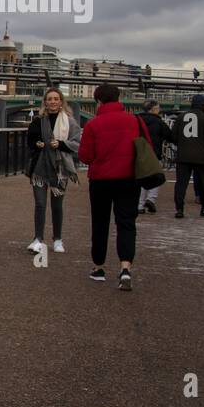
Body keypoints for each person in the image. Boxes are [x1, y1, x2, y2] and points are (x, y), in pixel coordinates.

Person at [78, 84, 143, 290]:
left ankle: (98, 267)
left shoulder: (93, 125)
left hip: (101, 180)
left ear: (98, 101)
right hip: (128, 179)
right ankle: (125, 268)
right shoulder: (135, 121)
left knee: (100, 222)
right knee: (126, 223)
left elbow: (85, 156)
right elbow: (146, 147)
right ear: (119, 98)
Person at [26, 87, 80, 254]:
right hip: (40, 168)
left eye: (56, 99)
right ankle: (38, 239)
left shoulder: (70, 122)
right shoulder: (38, 121)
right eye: (50, 99)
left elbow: (77, 144)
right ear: (45, 102)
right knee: (40, 204)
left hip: (60, 168)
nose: (53, 102)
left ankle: (57, 239)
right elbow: (30, 140)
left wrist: (61, 144)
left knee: (57, 205)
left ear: (61, 101)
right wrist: (37, 144)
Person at [171, 94, 204, 218]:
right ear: (203, 105)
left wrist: (183, 144)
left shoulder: (181, 117)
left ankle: (179, 209)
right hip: (202, 157)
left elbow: (173, 137)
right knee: (203, 183)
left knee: (181, 183)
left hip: (183, 156)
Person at [135, 100, 172, 213]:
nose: (159, 110)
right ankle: (151, 199)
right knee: (156, 176)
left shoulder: (136, 120)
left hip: (138, 153)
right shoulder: (159, 122)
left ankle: (139, 205)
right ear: (152, 109)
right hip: (154, 154)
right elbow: (170, 136)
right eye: (157, 108)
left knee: (140, 178)